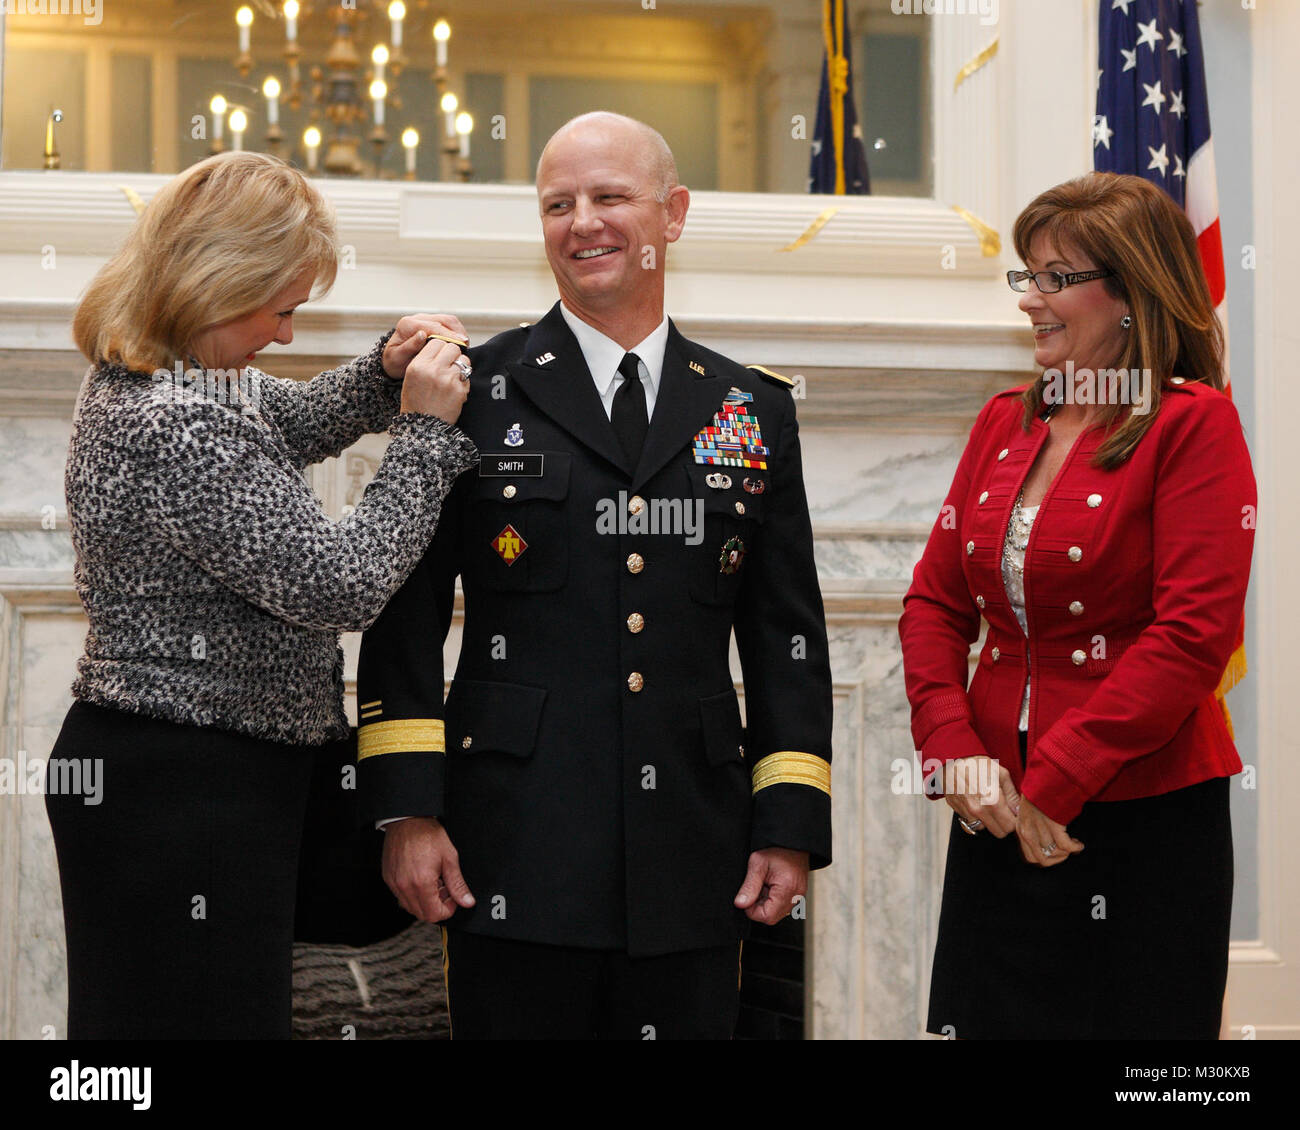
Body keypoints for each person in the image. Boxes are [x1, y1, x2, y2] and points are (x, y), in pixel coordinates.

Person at [356, 112, 833, 1039]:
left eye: (610, 197)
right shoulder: (470, 393)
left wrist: (789, 818)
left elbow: (786, 635)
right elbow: (402, 615)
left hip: (694, 852)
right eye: (558, 205)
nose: (584, 223)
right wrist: (407, 813)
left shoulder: (751, 406)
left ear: (673, 213)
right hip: (512, 845)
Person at [46, 151, 479, 1039]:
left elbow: (289, 420)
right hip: (181, 784)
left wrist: (382, 374)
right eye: (279, 311)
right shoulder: (175, 423)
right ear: (215, 284)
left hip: (211, 767)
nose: (285, 336)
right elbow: (343, 583)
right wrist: (425, 438)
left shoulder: (177, 377)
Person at [898, 171, 1256, 1040]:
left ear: (1131, 295)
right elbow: (933, 606)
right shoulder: (1001, 424)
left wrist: (1052, 785)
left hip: (1140, 825)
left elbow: (1190, 637)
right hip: (995, 812)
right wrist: (954, 751)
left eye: (1057, 278)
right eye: (1028, 276)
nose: (1032, 301)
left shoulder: (1192, 425)